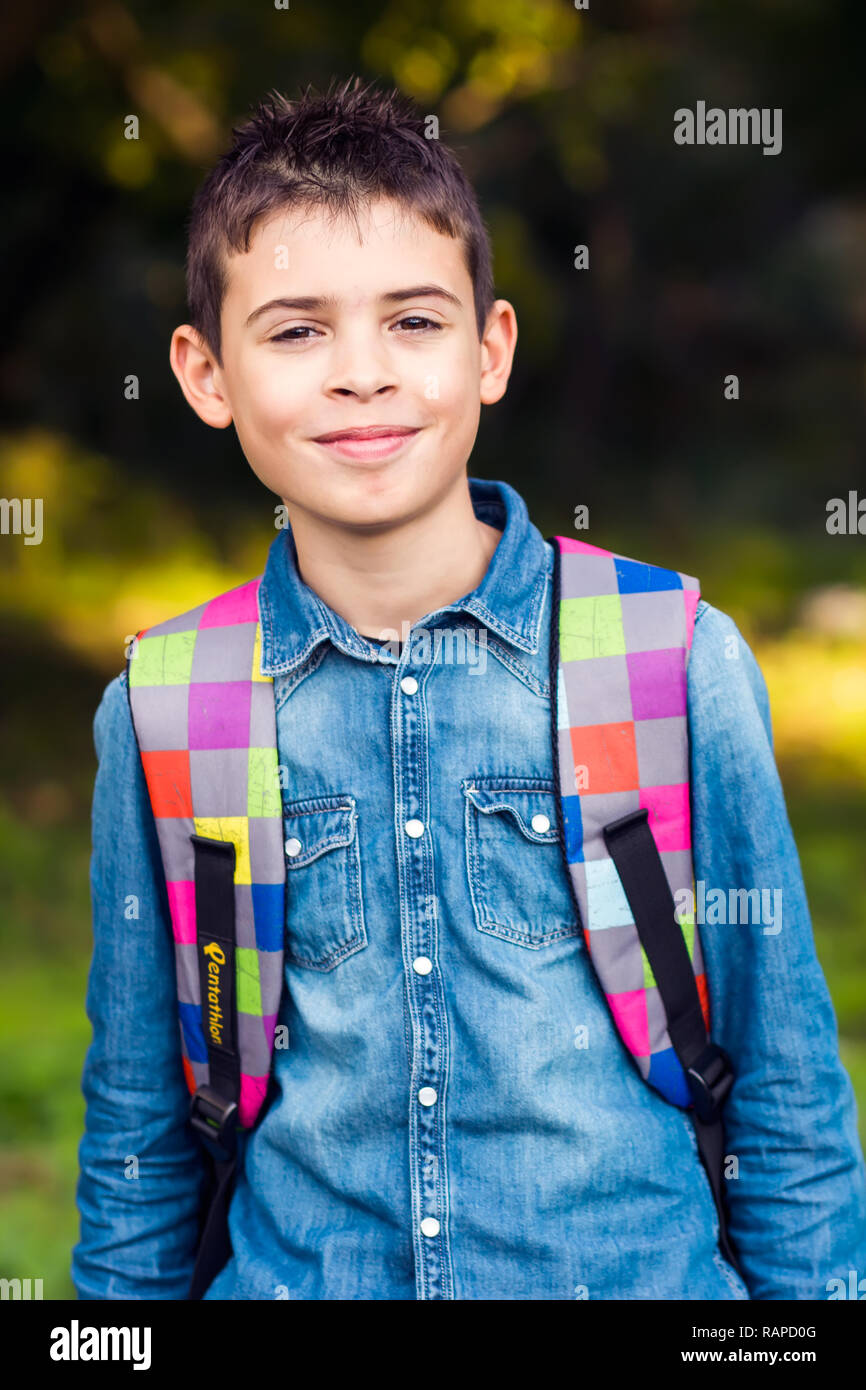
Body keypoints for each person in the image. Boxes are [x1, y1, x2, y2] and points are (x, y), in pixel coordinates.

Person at [72, 75, 866, 1300]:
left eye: (413, 321)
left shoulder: (669, 659)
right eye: (294, 330)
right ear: (204, 373)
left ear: (489, 349)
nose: (361, 375)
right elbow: (139, 1139)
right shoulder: (169, 708)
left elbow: (788, 1092)